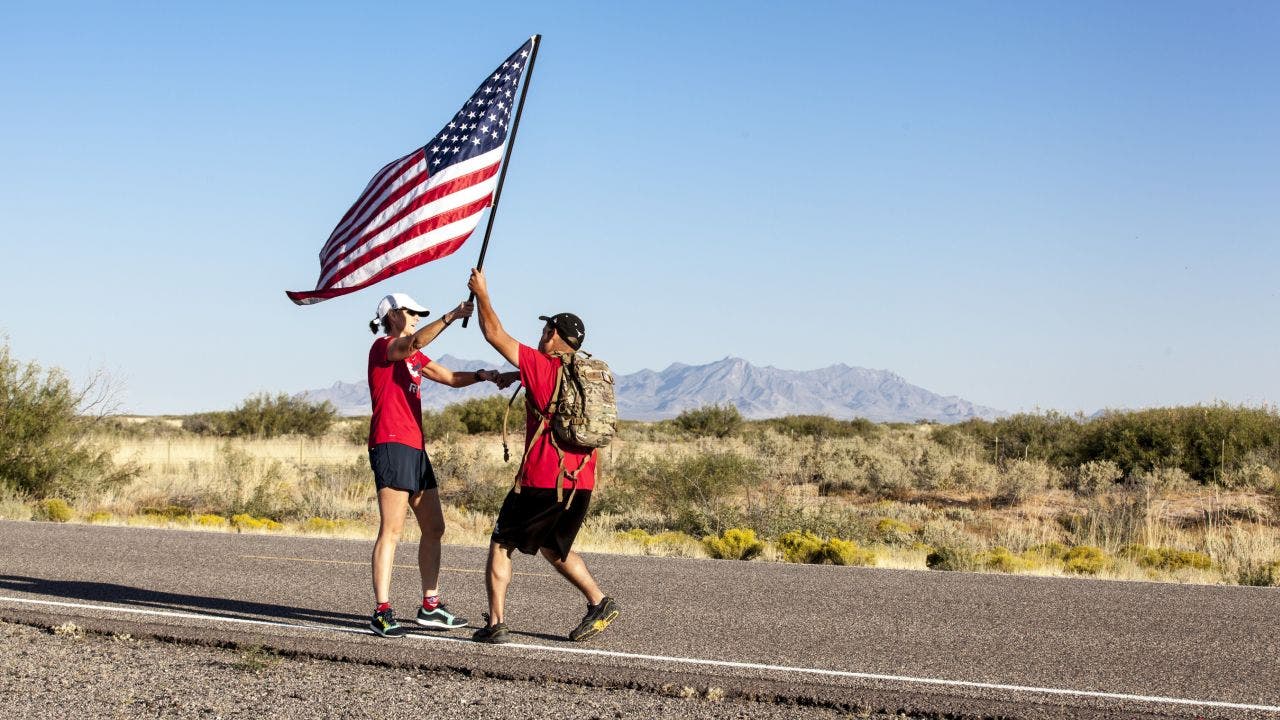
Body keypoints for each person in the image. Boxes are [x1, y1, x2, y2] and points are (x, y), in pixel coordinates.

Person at [465, 268, 620, 644]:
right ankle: (599, 602)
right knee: (554, 547)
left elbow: (494, 334)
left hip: (540, 480)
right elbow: (547, 388)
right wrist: (513, 376)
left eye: (545, 331)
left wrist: (482, 293)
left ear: (552, 335)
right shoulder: (586, 374)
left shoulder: (540, 365)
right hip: (580, 482)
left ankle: (496, 623)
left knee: (502, 543)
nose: (540, 336)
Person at [365, 292, 501, 637]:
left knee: (435, 527)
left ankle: (430, 606)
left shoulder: (414, 357)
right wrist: (452, 315)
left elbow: (451, 378)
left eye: (417, 313)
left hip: (415, 448)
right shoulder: (384, 348)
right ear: (393, 315)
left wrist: (485, 375)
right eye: (411, 312)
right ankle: (381, 611)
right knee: (391, 530)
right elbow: (411, 342)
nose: (415, 317)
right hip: (391, 444)